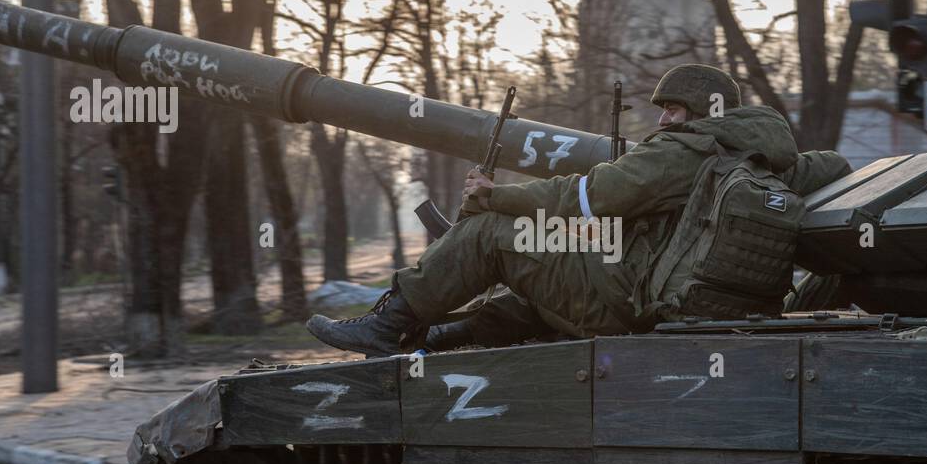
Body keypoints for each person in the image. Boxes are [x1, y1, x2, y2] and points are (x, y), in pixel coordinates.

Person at [306, 63, 852, 357]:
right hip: (679, 300)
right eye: (661, 110)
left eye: (674, 109)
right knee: (551, 253)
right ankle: (445, 336)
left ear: (705, 112)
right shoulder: (765, 158)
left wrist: (496, 196)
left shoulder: (683, 151)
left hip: (635, 303)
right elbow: (833, 165)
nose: (662, 121)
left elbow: (589, 198)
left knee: (495, 235)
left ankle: (389, 325)